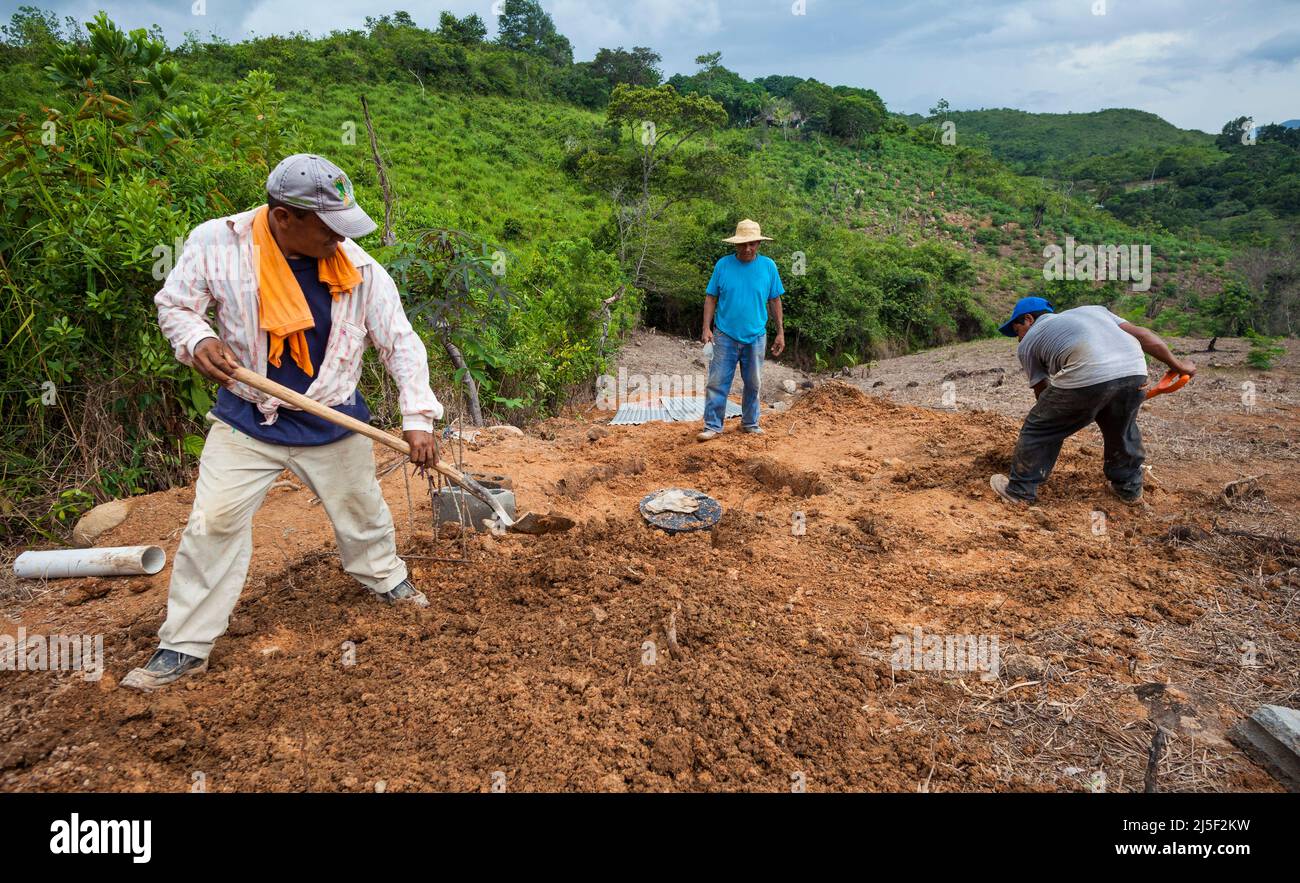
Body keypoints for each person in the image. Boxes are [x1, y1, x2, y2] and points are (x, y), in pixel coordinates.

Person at [122, 154, 442, 691]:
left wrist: (418, 417)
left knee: (362, 513)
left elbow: (399, 343)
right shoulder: (216, 245)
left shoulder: (359, 268)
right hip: (249, 415)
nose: (339, 239)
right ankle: (184, 644)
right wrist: (198, 339)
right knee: (213, 524)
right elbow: (176, 306)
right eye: (328, 227)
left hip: (333, 416)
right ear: (284, 215)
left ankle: (385, 578)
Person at [989, 296, 1196, 507]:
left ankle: (1020, 492)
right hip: (1134, 372)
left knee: (1038, 428)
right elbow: (1144, 335)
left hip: (1087, 375)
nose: (1018, 339)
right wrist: (1178, 365)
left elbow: (1042, 391)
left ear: (1028, 319)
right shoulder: (1096, 311)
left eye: (1017, 331)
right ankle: (1128, 489)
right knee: (1121, 429)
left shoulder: (1029, 342)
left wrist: (1056, 421)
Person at [698, 219, 786, 441]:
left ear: (758, 243)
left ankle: (750, 423)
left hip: (756, 335)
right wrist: (706, 327)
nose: (748, 248)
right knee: (717, 381)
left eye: (752, 244)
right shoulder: (723, 265)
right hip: (725, 334)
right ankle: (713, 426)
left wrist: (780, 331)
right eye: (743, 244)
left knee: (754, 382)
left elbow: (775, 300)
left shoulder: (768, 266)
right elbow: (711, 297)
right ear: (736, 244)